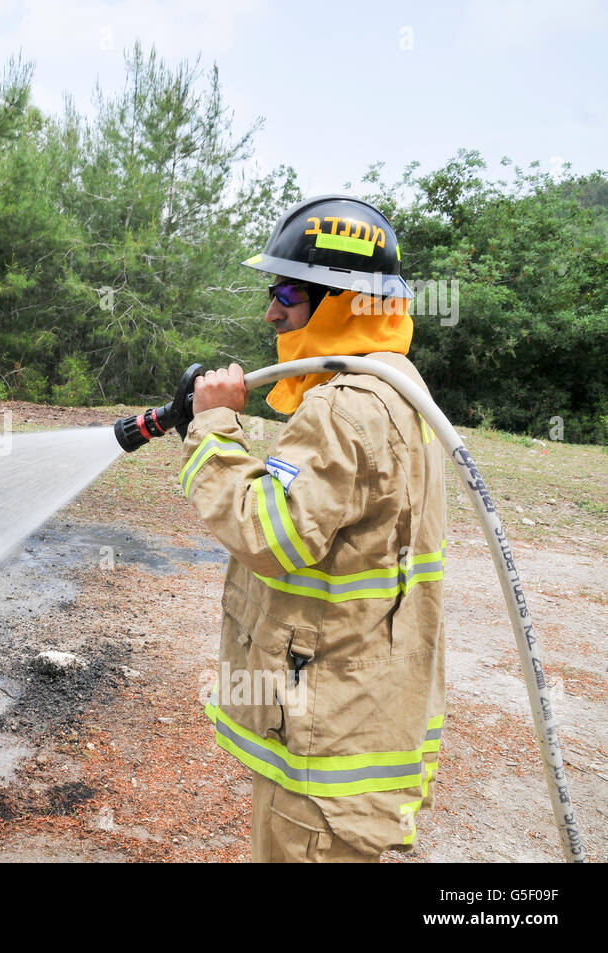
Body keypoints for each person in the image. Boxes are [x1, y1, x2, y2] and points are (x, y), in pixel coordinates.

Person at [178, 195, 447, 862]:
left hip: (324, 773)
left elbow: (268, 533)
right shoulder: (399, 389)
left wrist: (213, 431)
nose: (272, 311)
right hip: (360, 730)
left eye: (289, 293)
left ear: (343, 304)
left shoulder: (346, 407)